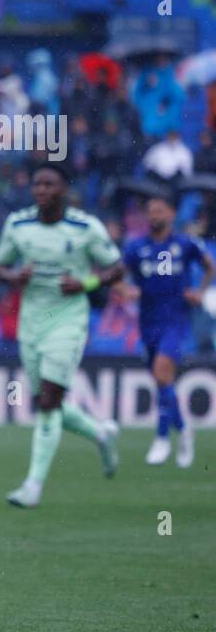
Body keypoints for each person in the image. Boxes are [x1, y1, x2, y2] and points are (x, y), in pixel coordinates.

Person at [0, 163, 124, 508]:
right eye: (37, 184)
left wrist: (87, 283)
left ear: (65, 189)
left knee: (49, 401)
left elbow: (117, 267)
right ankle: (101, 434)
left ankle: (32, 486)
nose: (41, 190)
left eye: (49, 184)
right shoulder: (18, 225)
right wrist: (14, 276)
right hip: (32, 321)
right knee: (46, 403)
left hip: (68, 320)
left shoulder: (85, 227)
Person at [122, 194, 213, 467]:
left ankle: (162, 437)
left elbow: (210, 266)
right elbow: (118, 275)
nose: (154, 216)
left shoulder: (184, 244)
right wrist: (126, 289)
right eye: (150, 211)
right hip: (148, 321)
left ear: (172, 214)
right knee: (162, 381)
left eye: (159, 211)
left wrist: (200, 291)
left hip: (176, 319)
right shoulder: (137, 247)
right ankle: (184, 429)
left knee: (162, 371)